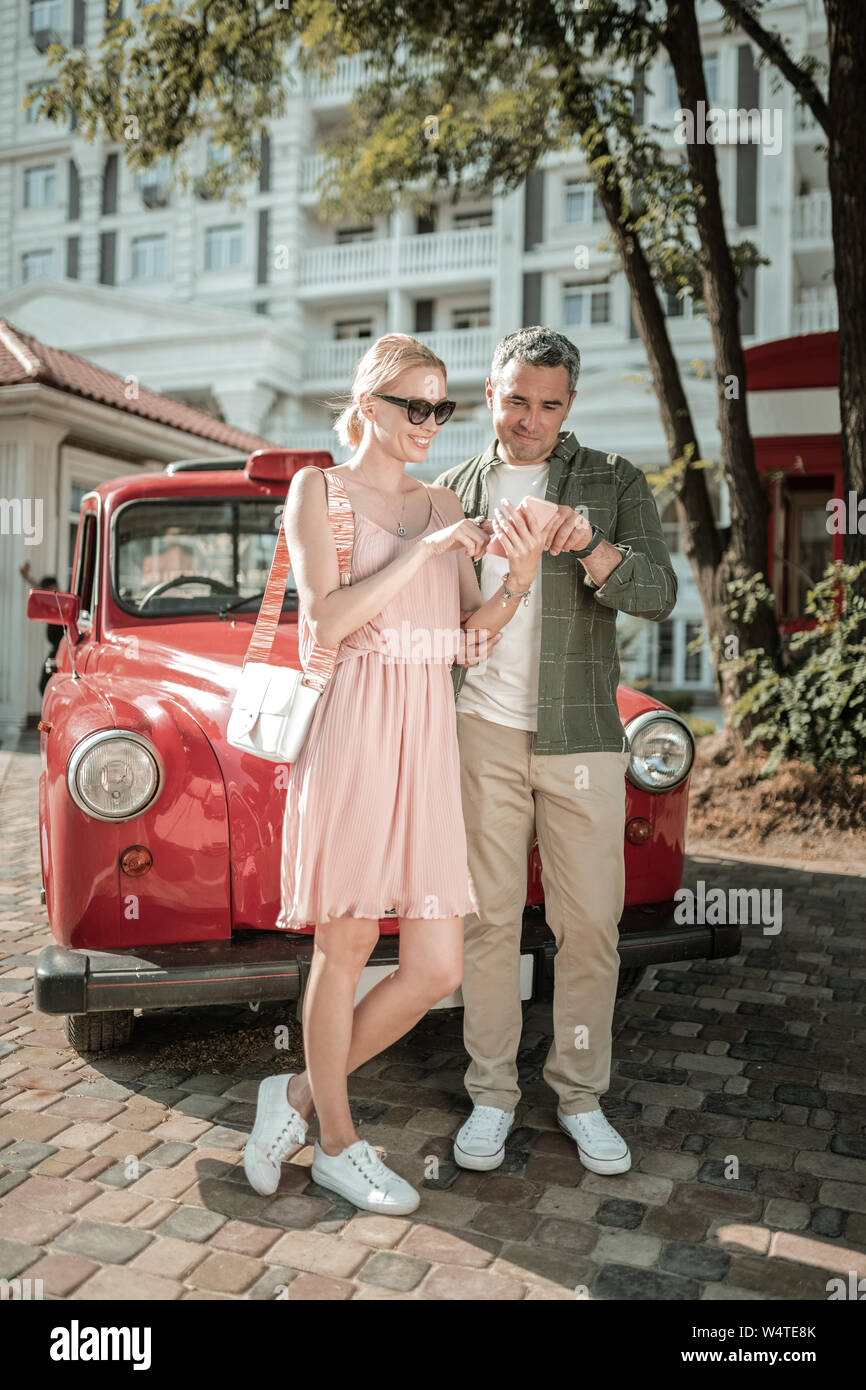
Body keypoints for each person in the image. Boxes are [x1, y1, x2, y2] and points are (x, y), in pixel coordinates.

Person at [244, 333, 558, 1213]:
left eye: (441, 407)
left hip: (425, 736)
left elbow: (468, 638)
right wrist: (422, 553)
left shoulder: (439, 502)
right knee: (341, 949)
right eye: (414, 405)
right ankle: (339, 1145)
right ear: (369, 404)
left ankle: (298, 1095)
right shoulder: (321, 491)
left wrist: (518, 575)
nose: (430, 422)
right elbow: (326, 625)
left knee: (434, 969)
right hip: (352, 731)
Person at [433, 326, 678, 1177]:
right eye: (515, 400)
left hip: (583, 739)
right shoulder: (453, 491)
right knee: (488, 921)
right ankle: (492, 1094)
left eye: (548, 404)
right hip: (482, 732)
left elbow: (658, 592)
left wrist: (590, 546)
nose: (529, 419)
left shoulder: (612, 481)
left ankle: (579, 1094)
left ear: (568, 406)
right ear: (492, 395)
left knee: (589, 927)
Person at [19, 563, 63, 696]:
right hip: (55, 650)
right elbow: (38, 589)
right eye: (47, 591)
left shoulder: (64, 602)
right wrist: (26, 577)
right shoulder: (49, 604)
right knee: (44, 685)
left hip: (63, 649)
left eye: (52, 589)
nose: (50, 593)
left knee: (48, 685)